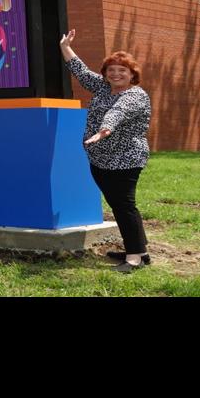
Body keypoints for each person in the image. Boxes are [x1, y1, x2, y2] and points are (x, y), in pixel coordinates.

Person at [59, 29, 151, 273]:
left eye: (122, 70)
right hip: (100, 158)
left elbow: (118, 111)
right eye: (111, 70)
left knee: (124, 206)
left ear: (132, 75)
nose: (116, 74)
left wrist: (103, 131)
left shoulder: (135, 95)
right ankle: (139, 250)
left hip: (125, 159)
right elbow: (80, 71)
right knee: (120, 205)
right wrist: (65, 47)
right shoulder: (102, 87)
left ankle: (134, 257)